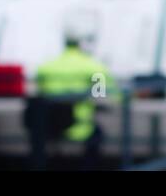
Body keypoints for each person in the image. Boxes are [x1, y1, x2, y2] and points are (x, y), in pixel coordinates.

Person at [32, 15, 115, 170]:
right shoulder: (93, 67)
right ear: (82, 44)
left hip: (48, 124)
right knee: (97, 134)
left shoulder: (46, 67)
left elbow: (39, 90)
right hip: (79, 126)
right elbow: (104, 95)